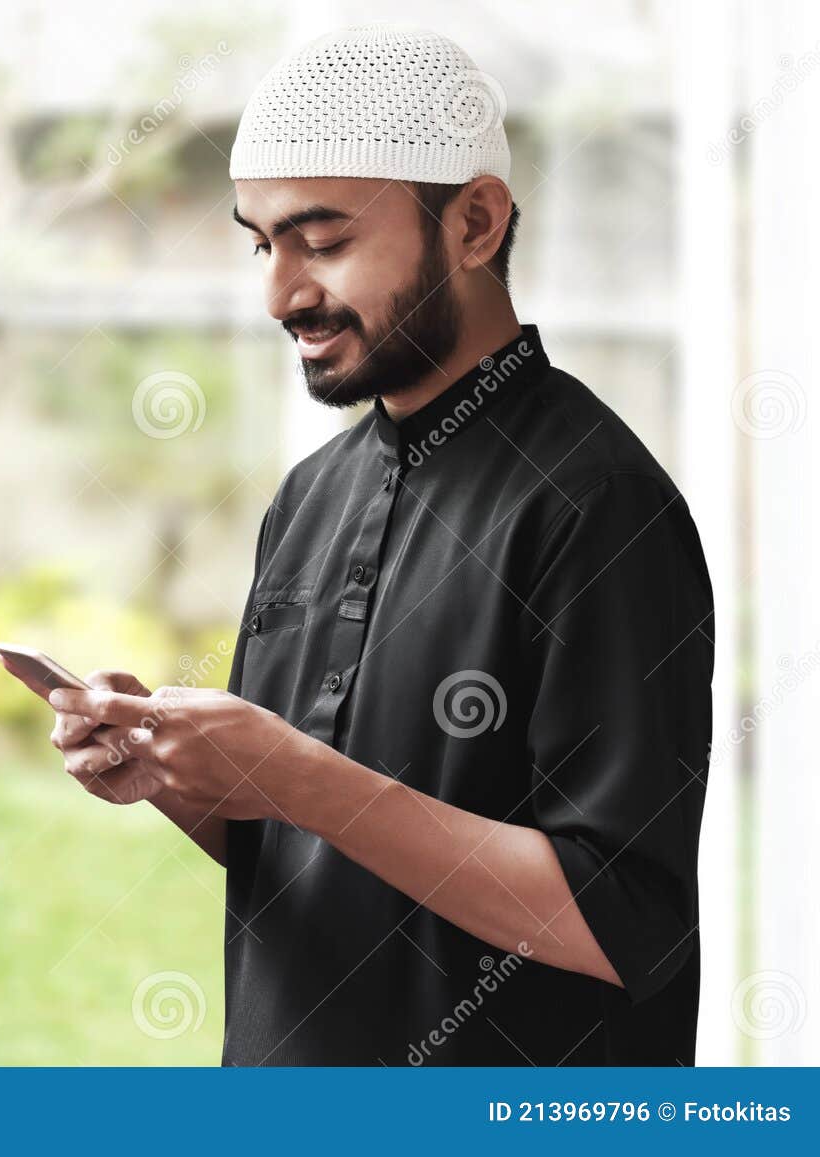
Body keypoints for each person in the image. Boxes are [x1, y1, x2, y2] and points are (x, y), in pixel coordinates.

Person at [47, 22, 713, 1066]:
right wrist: (177, 774)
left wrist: (296, 774)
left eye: (324, 239)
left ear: (476, 222)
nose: (281, 294)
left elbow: (621, 917)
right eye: (261, 244)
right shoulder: (309, 498)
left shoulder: (597, 501)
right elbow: (308, 846)